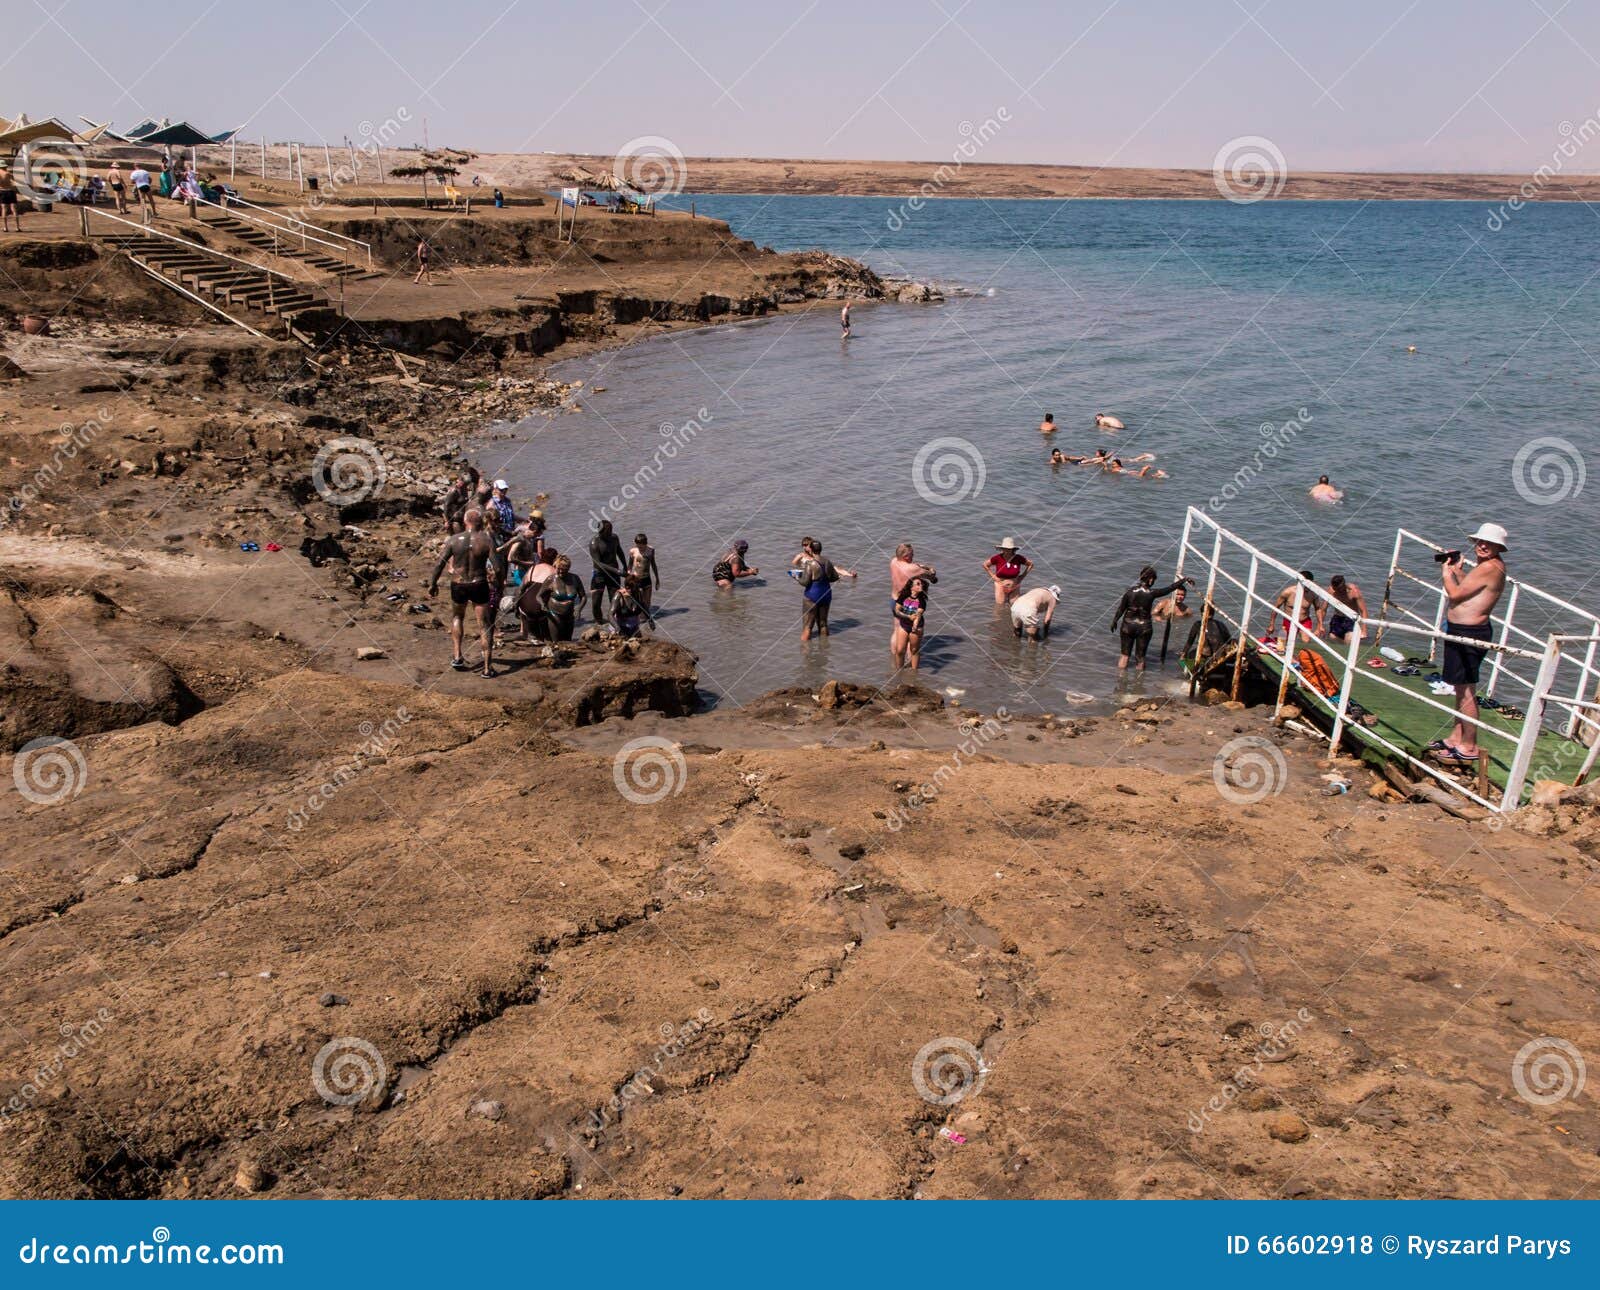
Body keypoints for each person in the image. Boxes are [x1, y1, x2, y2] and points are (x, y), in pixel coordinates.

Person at [1431, 524, 1509, 765]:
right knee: (1459, 687)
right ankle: (1456, 737)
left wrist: (1446, 573)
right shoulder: (1486, 567)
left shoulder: (1490, 567)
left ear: (1499, 547)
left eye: (1489, 543)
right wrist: (1458, 572)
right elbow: (1471, 590)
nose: (1482, 546)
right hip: (1461, 631)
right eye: (1480, 541)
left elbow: (1455, 595)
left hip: (1470, 633)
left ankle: (1469, 745)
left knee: (1466, 690)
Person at [427, 508, 496, 676]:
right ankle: (487, 668)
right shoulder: (486, 540)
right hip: (479, 583)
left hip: (459, 584)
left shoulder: (454, 539)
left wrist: (433, 584)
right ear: (480, 522)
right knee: (484, 624)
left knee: (457, 617)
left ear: (465, 521)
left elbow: (439, 563)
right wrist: (499, 584)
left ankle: (457, 656)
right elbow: (498, 567)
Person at [1111, 566, 1193, 670]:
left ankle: (1120, 677)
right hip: (1144, 627)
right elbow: (1169, 588)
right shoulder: (1152, 593)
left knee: (1125, 655)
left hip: (1128, 625)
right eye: (1153, 580)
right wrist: (1184, 580)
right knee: (1140, 658)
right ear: (1150, 579)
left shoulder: (1129, 592)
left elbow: (1121, 609)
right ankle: (1139, 679)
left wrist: (1114, 621)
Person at [795, 537, 855, 641]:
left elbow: (805, 582)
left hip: (812, 596)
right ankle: (824, 647)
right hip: (826, 595)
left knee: (807, 626)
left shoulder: (810, 564)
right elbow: (834, 577)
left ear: (811, 550)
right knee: (823, 624)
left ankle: (805, 649)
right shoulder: (828, 562)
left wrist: (797, 578)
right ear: (820, 549)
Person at [538, 554, 586, 641]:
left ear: (568, 568)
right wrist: (542, 604)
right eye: (558, 569)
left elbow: (583, 597)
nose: (560, 572)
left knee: (568, 641)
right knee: (556, 642)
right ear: (555, 567)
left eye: (564, 570)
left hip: (570, 615)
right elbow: (539, 596)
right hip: (554, 614)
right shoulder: (550, 579)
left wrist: (579, 609)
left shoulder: (575, 579)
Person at [588, 520, 627, 622]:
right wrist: (617, 571)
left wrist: (625, 565)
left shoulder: (614, 538)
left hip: (613, 573)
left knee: (615, 599)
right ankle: (599, 622)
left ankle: (615, 621)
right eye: (607, 532)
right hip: (599, 574)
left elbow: (619, 551)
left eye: (611, 530)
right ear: (600, 531)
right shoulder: (594, 543)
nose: (610, 533)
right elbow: (598, 563)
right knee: (596, 602)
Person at [891, 576, 930, 669]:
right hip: (904, 625)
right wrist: (908, 616)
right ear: (911, 587)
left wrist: (915, 625)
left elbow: (918, 614)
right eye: (918, 584)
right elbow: (897, 610)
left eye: (921, 584)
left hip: (917, 627)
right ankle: (899, 671)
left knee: (914, 650)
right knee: (900, 650)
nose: (921, 585)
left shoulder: (922, 600)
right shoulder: (903, 596)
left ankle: (914, 672)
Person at [1272, 571, 1322, 639]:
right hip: (1289, 620)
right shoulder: (1288, 592)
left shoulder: (1313, 594)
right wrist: (1271, 624)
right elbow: (1276, 607)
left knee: (1306, 641)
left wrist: (1320, 626)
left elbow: (1318, 609)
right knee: (1286, 641)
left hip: (1304, 620)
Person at [983, 537, 1032, 605]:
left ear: (1013, 549)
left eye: (1009, 549)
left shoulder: (1018, 558)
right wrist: (994, 577)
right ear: (1002, 549)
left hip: (1015, 585)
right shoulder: (997, 558)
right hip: (1000, 585)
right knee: (1000, 606)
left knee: (1014, 605)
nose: (1007, 551)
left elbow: (1030, 564)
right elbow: (985, 565)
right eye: (1005, 549)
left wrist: (1022, 576)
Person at [1324, 574, 1368, 644]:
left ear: (1343, 585)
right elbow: (1323, 609)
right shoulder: (1331, 590)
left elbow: (1363, 611)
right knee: (1332, 638)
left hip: (1351, 619)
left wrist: (1364, 630)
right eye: (1335, 589)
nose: (1337, 591)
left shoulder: (1354, 591)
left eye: (1339, 589)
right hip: (1337, 618)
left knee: (1349, 640)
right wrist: (1320, 626)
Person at [627, 533, 661, 610]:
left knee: (647, 602)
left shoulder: (650, 550)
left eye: (642, 547)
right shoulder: (633, 551)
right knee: (637, 601)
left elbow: (653, 565)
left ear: (645, 544)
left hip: (646, 578)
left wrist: (657, 579)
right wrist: (628, 574)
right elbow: (630, 565)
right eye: (638, 546)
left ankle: (646, 615)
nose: (640, 548)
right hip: (636, 579)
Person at [442, 466, 479, 533]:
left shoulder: (464, 488)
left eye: (464, 483)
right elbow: (446, 507)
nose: (461, 484)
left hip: (462, 517)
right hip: (454, 520)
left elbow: (472, 492)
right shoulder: (454, 492)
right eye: (460, 481)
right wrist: (446, 521)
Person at [0, 167, 18, 233]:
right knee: (14, 209)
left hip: (2, 191)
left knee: (4, 209)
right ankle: (17, 227)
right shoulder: (8, 173)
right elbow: (14, 182)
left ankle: (5, 228)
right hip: (11, 191)